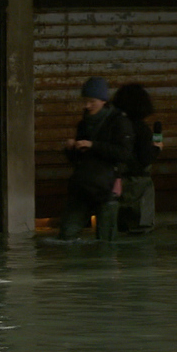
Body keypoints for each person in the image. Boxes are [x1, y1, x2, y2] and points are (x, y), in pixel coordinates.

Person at [58, 77, 134, 241]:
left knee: (106, 240)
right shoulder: (84, 123)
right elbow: (77, 160)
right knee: (67, 233)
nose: (87, 106)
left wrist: (94, 145)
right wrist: (71, 149)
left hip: (107, 186)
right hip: (84, 185)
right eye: (85, 101)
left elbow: (124, 153)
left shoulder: (119, 122)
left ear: (103, 100)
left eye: (91, 101)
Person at [111, 83, 163, 234]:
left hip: (115, 183)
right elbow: (145, 159)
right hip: (138, 187)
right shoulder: (142, 129)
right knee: (140, 231)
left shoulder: (114, 125)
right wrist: (157, 148)